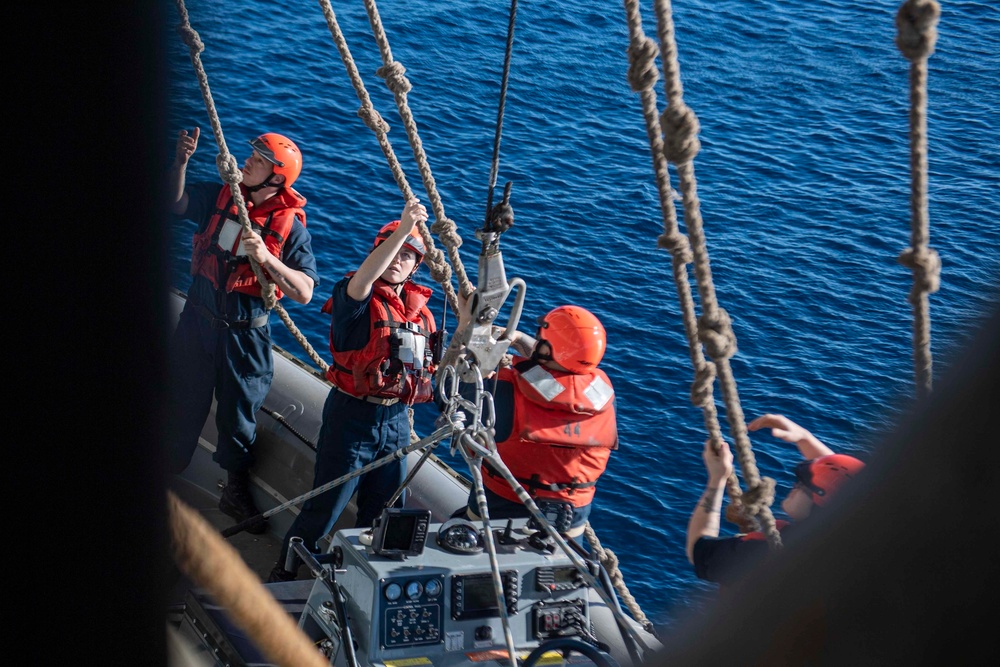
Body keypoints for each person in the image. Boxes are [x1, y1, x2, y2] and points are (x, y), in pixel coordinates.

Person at [269, 199, 435, 582]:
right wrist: (403, 228)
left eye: (408, 256)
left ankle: (363, 582)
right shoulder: (354, 298)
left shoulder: (420, 315)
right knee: (325, 507)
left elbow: (439, 362)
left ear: (415, 268)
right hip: (352, 417)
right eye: (392, 250)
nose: (398, 259)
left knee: (387, 511)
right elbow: (363, 283)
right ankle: (286, 572)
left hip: (395, 421)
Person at [165, 127, 319, 534]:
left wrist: (269, 258)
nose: (247, 160)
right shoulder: (220, 197)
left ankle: (234, 491)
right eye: (252, 155)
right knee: (183, 401)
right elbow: (175, 202)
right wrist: (179, 163)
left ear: (276, 177)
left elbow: (304, 291)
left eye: (259, 159)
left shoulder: (291, 229)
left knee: (238, 419)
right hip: (197, 322)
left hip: (243, 335)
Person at [452, 303, 619, 547]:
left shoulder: (506, 388)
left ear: (548, 349)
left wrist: (467, 338)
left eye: (542, 338)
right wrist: (519, 340)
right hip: (571, 521)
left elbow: (449, 395)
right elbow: (559, 374)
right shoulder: (604, 396)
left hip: (500, 508)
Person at [685, 413, 865, 586]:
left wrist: (717, 480)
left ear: (818, 502)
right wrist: (804, 438)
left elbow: (699, 552)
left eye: (803, 484)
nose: (795, 486)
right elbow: (844, 488)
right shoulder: (862, 531)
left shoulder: (769, 551)